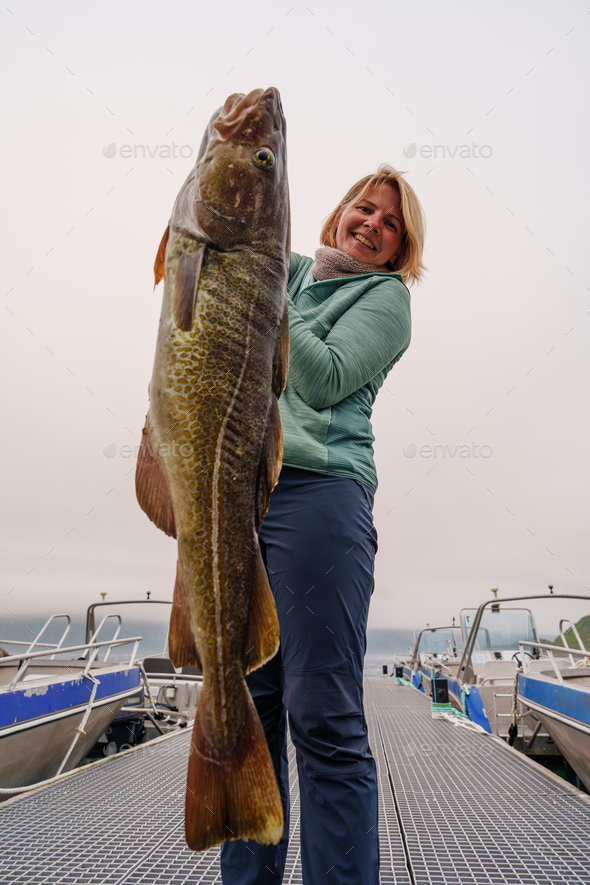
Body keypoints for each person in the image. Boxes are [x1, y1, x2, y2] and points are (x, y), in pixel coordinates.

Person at [220, 164, 426, 884]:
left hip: (321, 496)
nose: (371, 223)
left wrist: (269, 298)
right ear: (338, 211)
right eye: (363, 208)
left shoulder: (386, 299)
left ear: (400, 247)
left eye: (389, 222)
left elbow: (323, 377)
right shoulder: (294, 267)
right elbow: (232, 249)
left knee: (321, 713)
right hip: (250, 495)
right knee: (252, 712)